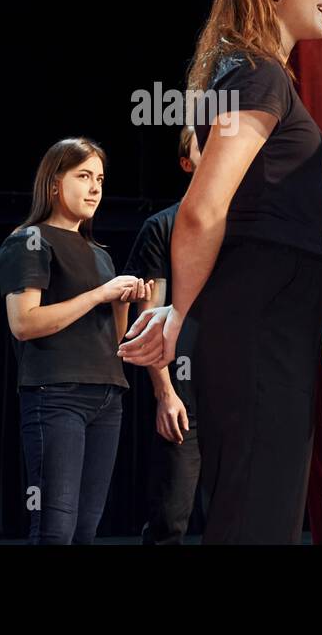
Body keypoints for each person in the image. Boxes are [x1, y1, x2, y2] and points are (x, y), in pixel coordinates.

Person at [119, 0, 322, 544]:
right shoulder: (257, 75)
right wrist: (176, 316)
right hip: (260, 318)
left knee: (261, 506)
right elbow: (201, 210)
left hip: (269, 316)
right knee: (257, 512)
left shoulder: (254, 73)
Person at [0, 138, 151, 543]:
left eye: (99, 178)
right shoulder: (30, 240)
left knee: (85, 529)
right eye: (83, 176)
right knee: (55, 529)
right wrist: (101, 293)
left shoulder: (99, 253)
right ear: (53, 183)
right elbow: (24, 323)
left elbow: (117, 340)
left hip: (107, 397)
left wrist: (128, 303)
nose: (95, 187)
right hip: (56, 395)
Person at [124, 127, 206, 544]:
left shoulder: (248, 226)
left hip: (241, 393)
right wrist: (164, 392)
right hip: (183, 397)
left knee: (239, 515)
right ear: (186, 162)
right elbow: (149, 319)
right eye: (202, 138)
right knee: (172, 518)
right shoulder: (162, 226)